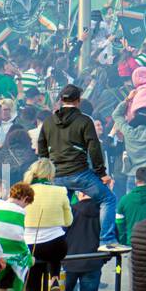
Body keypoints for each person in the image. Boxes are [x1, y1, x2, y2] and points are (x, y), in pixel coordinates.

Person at [38, 84, 119, 250]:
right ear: (79, 101)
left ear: (61, 100)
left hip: (57, 175)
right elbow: (94, 147)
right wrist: (101, 173)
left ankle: (57, 243)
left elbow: (41, 148)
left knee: (62, 207)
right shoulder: (84, 120)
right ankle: (106, 240)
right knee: (108, 199)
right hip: (80, 173)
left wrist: (48, 170)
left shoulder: (48, 122)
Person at [21, 158, 72, 291]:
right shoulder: (60, 191)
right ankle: (54, 279)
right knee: (56, 252)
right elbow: (68, 221)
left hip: (30, 246)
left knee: (32, 290)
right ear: (51, 174)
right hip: (55, 244)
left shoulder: (25, 190)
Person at [61, 193, 104, 291]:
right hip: (92, 264)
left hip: (68, 263)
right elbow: (111, 237)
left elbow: (60, 235)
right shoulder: (102, 212)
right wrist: (101, 260)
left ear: (80, 194)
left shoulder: (70, 211)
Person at [115, 166, 146, 246]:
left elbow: (119, 224)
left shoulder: (124, 200)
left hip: (133, 245)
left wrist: (123, 242)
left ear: (136, 181)